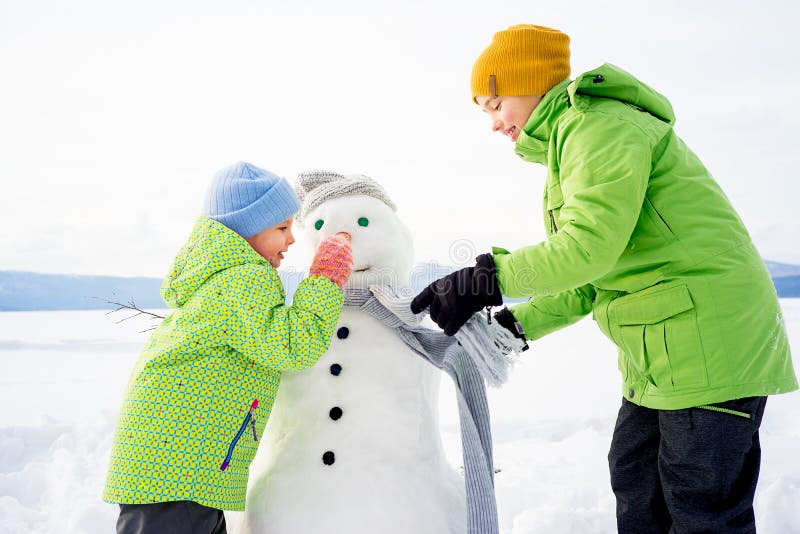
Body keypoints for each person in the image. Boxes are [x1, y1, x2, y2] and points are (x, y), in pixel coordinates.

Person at [411, 24, 798, 533]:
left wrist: (486, 278)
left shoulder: (600, 128)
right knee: (636, 479)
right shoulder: (571, 146)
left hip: (708, 344)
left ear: (530, 82)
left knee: (699, 505)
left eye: (495, 101)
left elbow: (586, 250)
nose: (492, 122)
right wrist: (514, 325)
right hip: (662, 352)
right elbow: (592, 279)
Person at [103, 161, 353, 534]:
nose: (292, 239)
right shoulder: (244, 279)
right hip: (180, 471)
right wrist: (325, 281)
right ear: (247, 230)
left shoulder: (219, 276)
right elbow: (291, 344)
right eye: (282, 228)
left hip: (172, 466)